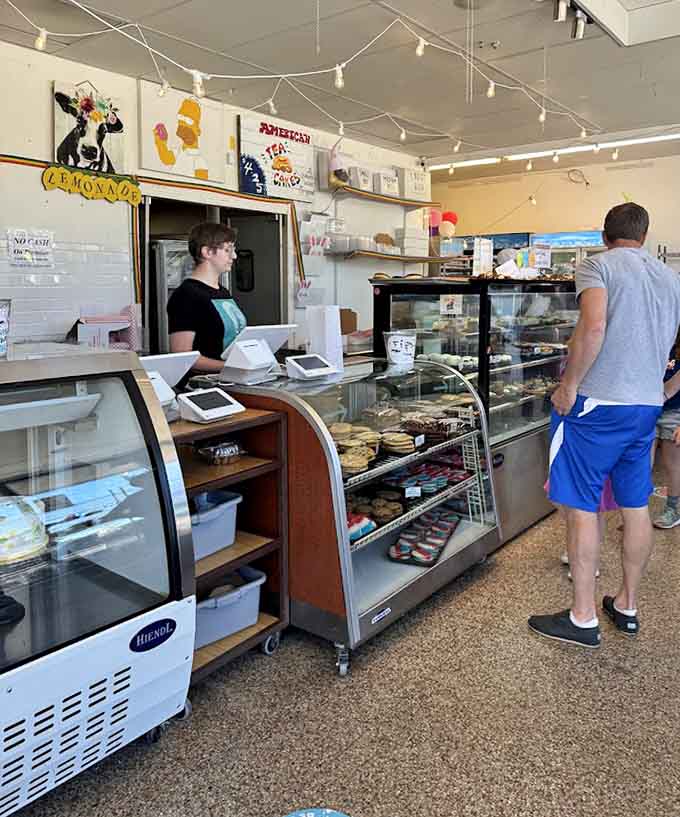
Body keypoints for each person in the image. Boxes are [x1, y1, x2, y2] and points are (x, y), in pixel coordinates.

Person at [528, 202, 680, 649]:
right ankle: (627, 606)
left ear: (604, 234)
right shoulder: (670, 277)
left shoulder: (596, 266)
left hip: (597, 407)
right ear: (645, 236)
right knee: (635, 505)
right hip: (645, 407)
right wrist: (665, 394)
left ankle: (582, 616)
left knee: (581, 506)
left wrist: (569, 385)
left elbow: (592, 328)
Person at [167, 222, 246, 381]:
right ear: (207, 252)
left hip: (231, 381)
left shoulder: (223, 292)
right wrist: (230, 367)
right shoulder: (186, 295)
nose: (234, 256)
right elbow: (183, 357)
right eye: (227, 250)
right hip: (202, 386)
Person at [653, 329, 680, 528]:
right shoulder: (657, 337)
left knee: (673, 464)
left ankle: (673, 508)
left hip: (675, 411)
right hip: (648, 408)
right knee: (642, 461)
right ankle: (636, 510)